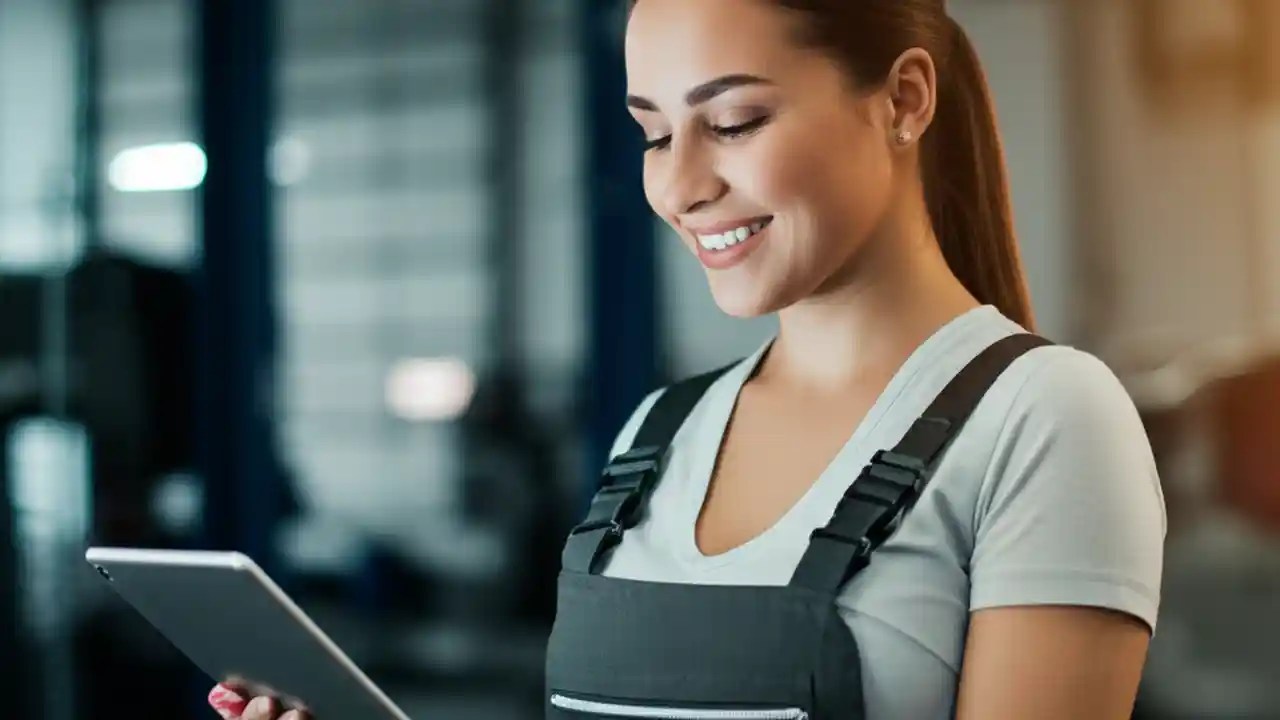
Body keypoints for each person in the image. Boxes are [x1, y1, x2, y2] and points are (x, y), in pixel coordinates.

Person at [213, 0, 1165, 718]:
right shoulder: (658, 433)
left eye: (735, 121)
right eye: (654, 135)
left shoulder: (1041, 416)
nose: (678, 186)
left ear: (904, 100)